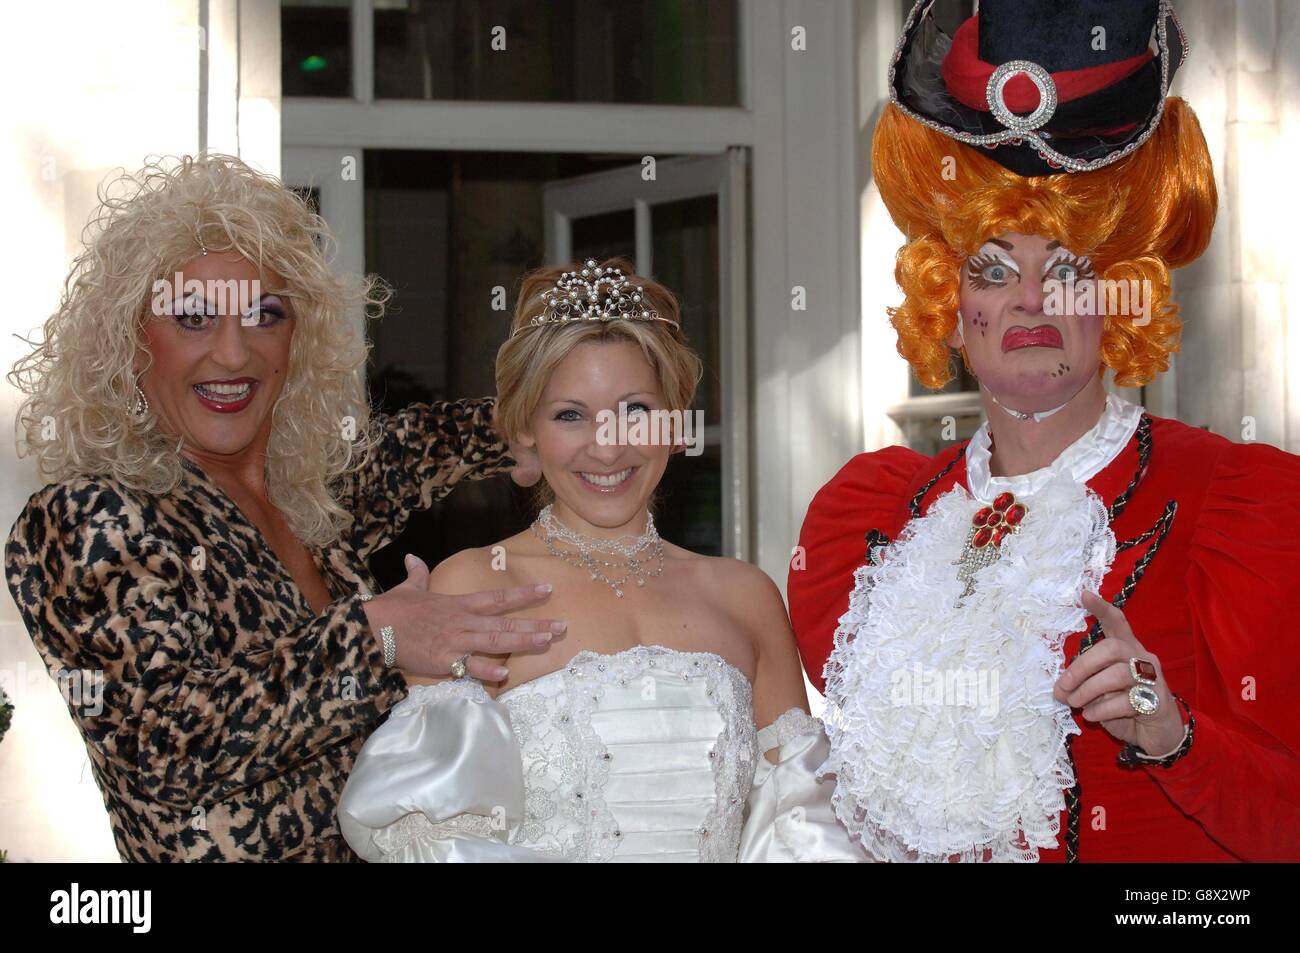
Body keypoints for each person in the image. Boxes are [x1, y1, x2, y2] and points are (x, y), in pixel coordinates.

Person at [789, 0, 1300, 862]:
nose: (1030, 298)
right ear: (950, 310)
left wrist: (1175, 737)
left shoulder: (1236, 505)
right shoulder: (872, 525)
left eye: (1066, 269)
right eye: (992, 269)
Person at [4, 154, 562, 861]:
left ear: (296, 341)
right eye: (194, 318)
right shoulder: (90, 517)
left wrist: (535, 427)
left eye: (264, 315)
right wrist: (380, 636)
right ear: (130, 343)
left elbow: (409, 451)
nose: (233, 353)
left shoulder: (307, 503)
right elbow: (169, 744)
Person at [338, 258, 868, 862]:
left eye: (635, 410)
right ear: (525, 431)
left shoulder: (745, 595)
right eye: (571, 415)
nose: (608, 444)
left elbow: (800, 830)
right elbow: (434, 840)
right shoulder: (477, 582)